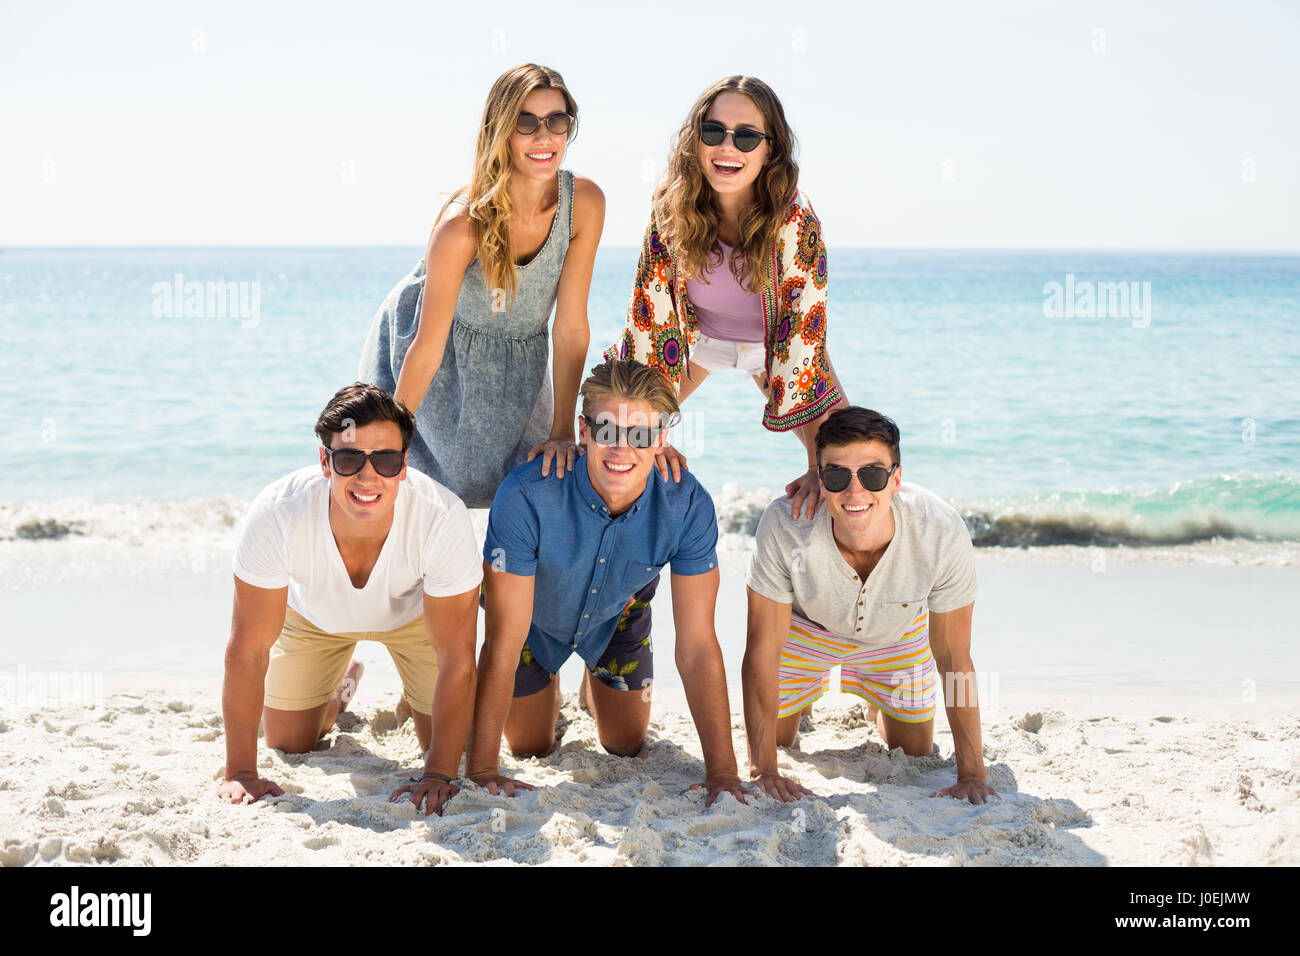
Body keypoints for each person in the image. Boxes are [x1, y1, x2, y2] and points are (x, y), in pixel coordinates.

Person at [465, 359, 747, 806]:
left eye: (640, 435)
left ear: (661, 439)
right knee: (529, 746)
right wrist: (481, 770)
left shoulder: (687, 504)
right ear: (582, 431)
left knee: (626, 744)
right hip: (531, 623)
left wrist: (723, 772)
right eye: (607, 431)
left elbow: (696, 645)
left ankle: (593, 675)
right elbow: (502, 638)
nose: (621, 449)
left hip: (618, 614)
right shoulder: (526, 494)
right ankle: (550, 675)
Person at [219, 384, 482, 817]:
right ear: (325, 462)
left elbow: (457, 656)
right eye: (348, 458)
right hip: (315, 620)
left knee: (451, 750)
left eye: (385, 459)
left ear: (403, 466)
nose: (367, 476)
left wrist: (437, 775)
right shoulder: (278, 511)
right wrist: (241, 771)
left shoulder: (441, 516)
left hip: (416, 620)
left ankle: (411, 699)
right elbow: (248, 649)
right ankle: (340, 687)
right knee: (288, 741)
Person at [359, 63, 605, 507]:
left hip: (518, 355)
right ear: (501, 129)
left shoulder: (583, 204)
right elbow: (427, 346)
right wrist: (389, 442)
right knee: (422, 491)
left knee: (534, 486)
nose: (543, 137)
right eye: (525, 123)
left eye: (557, 121)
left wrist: (564, 430)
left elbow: (569, 327)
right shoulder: (463, 225)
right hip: (440, 348)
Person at [605, 74, 848, 520]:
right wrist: (649, 429)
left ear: (769, 149)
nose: (727, 147)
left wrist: (817, 460)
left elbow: (802, 331)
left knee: (847, 469)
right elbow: (651, 311)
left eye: (747, 136)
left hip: (775, 348)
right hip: (697, 344)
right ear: (696, 141)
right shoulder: (670, 207)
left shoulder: (795, 218)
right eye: (713, 132)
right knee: (619, 438)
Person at [742, 407, 998, 805]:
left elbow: (953, 658)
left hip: (896, 634)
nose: (855, 491)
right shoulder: (785, 523)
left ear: (896, 479)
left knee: (911, 751)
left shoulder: (941, 531)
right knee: (778, 742)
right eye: (837, 475)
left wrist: (972, 773)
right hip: (806, 631)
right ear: (819, 478)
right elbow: (761, 651)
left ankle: (877, 703)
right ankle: (805, 695)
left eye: (873, 475)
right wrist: (764, 769)